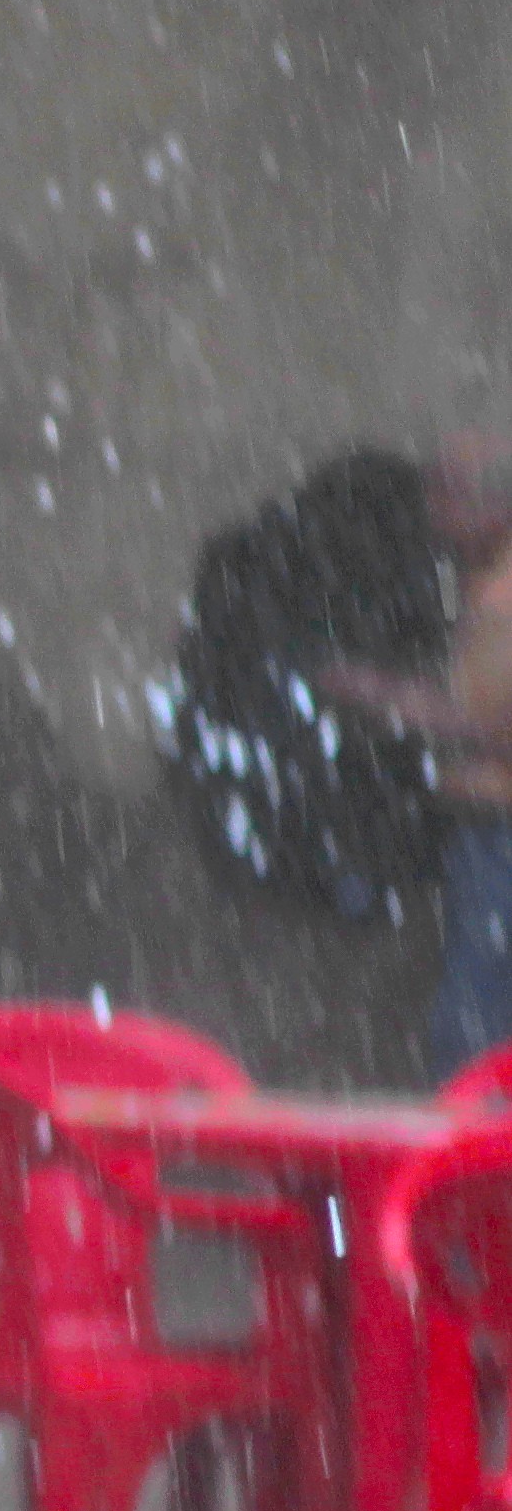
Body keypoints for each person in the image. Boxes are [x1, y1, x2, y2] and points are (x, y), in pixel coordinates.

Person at [321, 433, 512, 1075]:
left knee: (474, 1028)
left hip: (500, 835)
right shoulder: (481, 581)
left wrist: (384, 695)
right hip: (484, 834)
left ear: (497, 506)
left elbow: (492, 721)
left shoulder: (503, 595)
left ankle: (474, 1161)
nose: (434, 511)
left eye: (450, 493)